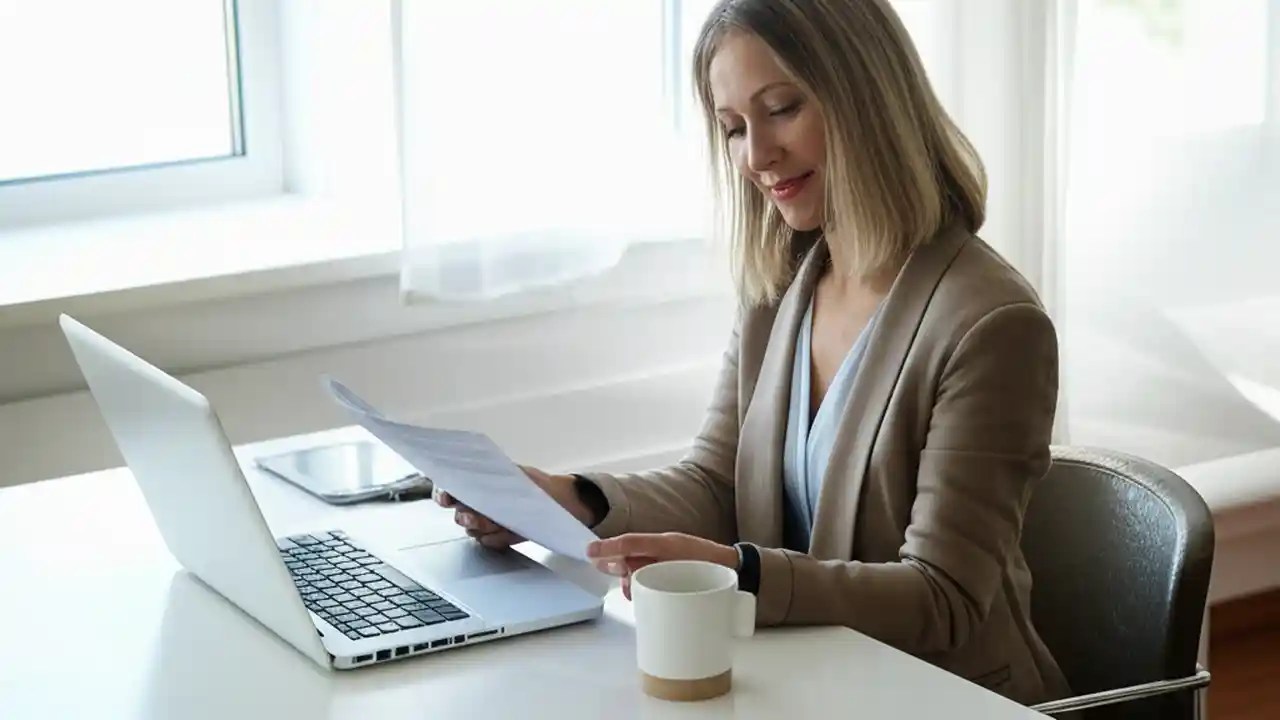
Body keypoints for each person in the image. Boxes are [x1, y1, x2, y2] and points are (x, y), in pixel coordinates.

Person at [435, 0, 1070, 706]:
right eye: (734, 128)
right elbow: (718, 483)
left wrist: (742, 575)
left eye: (783, 109)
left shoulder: (992, 324)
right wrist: (571, 499)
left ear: (868, 97)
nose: (756, 156)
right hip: (811, 685)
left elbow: (942, 597)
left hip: (944, 700)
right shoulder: (783, 283)